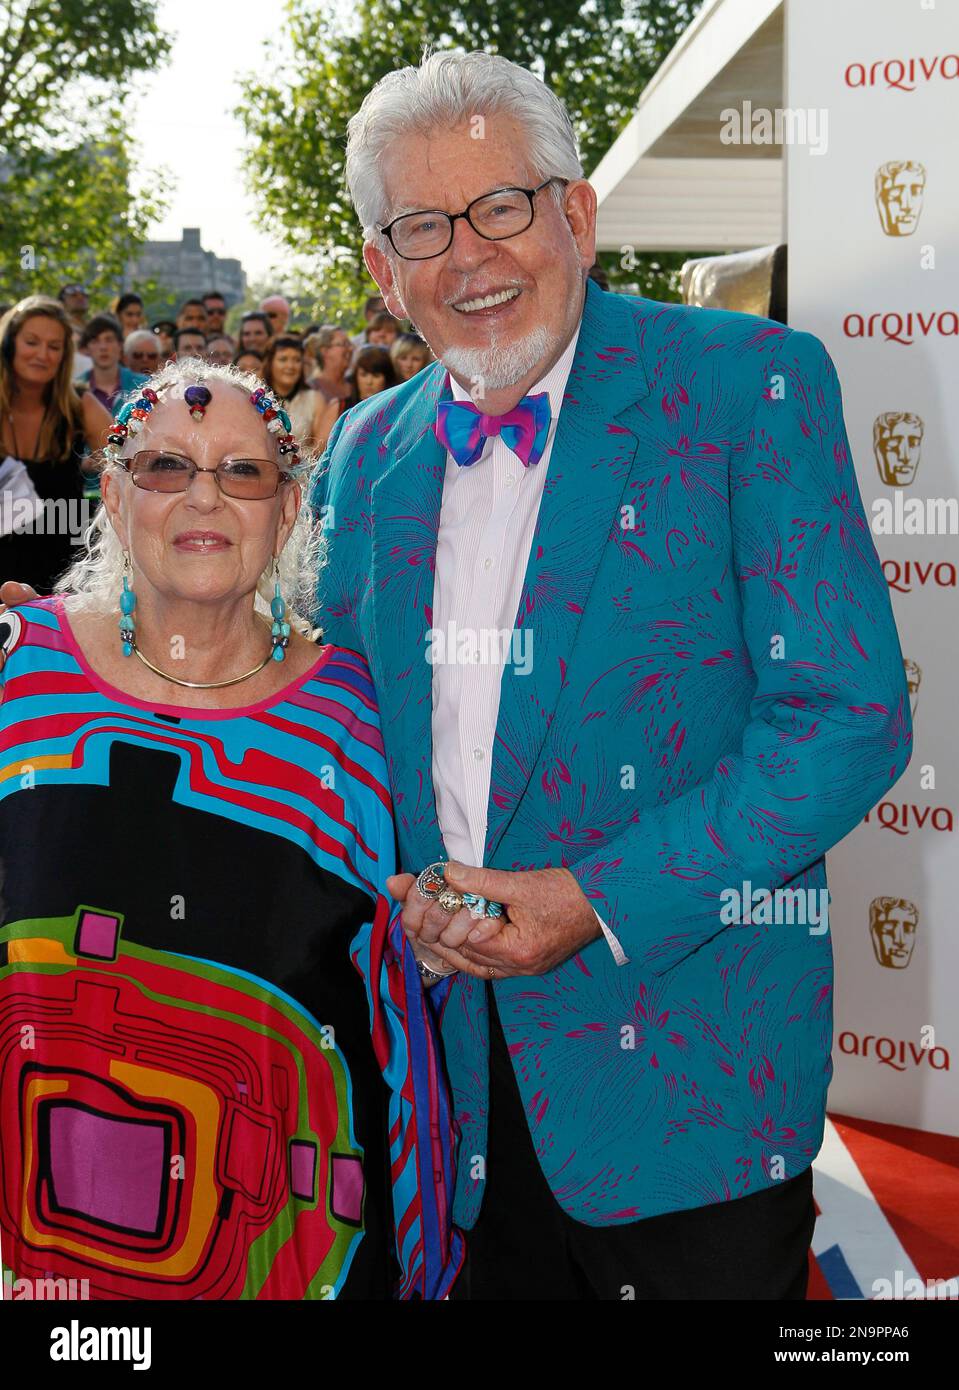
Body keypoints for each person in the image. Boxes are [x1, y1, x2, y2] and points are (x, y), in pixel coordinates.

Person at [309, 50, 913, 1300]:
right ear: (381, 270)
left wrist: (594, 894)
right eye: (421, 225)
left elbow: (844, 716)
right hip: (448, 1083)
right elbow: (337, 717)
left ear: (574, 214)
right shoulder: (367, 452)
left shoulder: (748, 385)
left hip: (691, 1088)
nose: (467, 256)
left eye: (500, 205)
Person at [0, 358, 462, 1301]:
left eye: (242, 472)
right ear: (115, 496)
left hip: (280, 1239)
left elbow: (404, 974)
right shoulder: (16, 673)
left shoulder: (363, 713)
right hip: (34, 1230)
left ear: (288, 511)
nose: (203, 497)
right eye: (166, 466)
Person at [0, 296, 112, 592]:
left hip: (61, 586)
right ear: (9, 344)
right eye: (32, 342)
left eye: (54, 347)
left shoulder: (79, 406)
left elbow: (128, 462)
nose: (42, 354)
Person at [261, 334, 335, 446]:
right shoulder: (257, 398)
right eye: (283, 359)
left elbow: (319, 447)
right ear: (270, 363)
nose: (290, 366)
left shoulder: (314, 399)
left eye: (297, 360)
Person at [79, 313, 147, 416]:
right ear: (87, 348)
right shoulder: (75, 391)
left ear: (120, 345)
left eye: (109, 340)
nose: (103, 347)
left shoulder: (143, 385)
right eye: (95, 341)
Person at [305, 326, 354, 408]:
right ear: (325, 351)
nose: (350, 349)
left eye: (349, 344)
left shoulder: (355, 385)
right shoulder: (311, 388)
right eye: (344, 344)